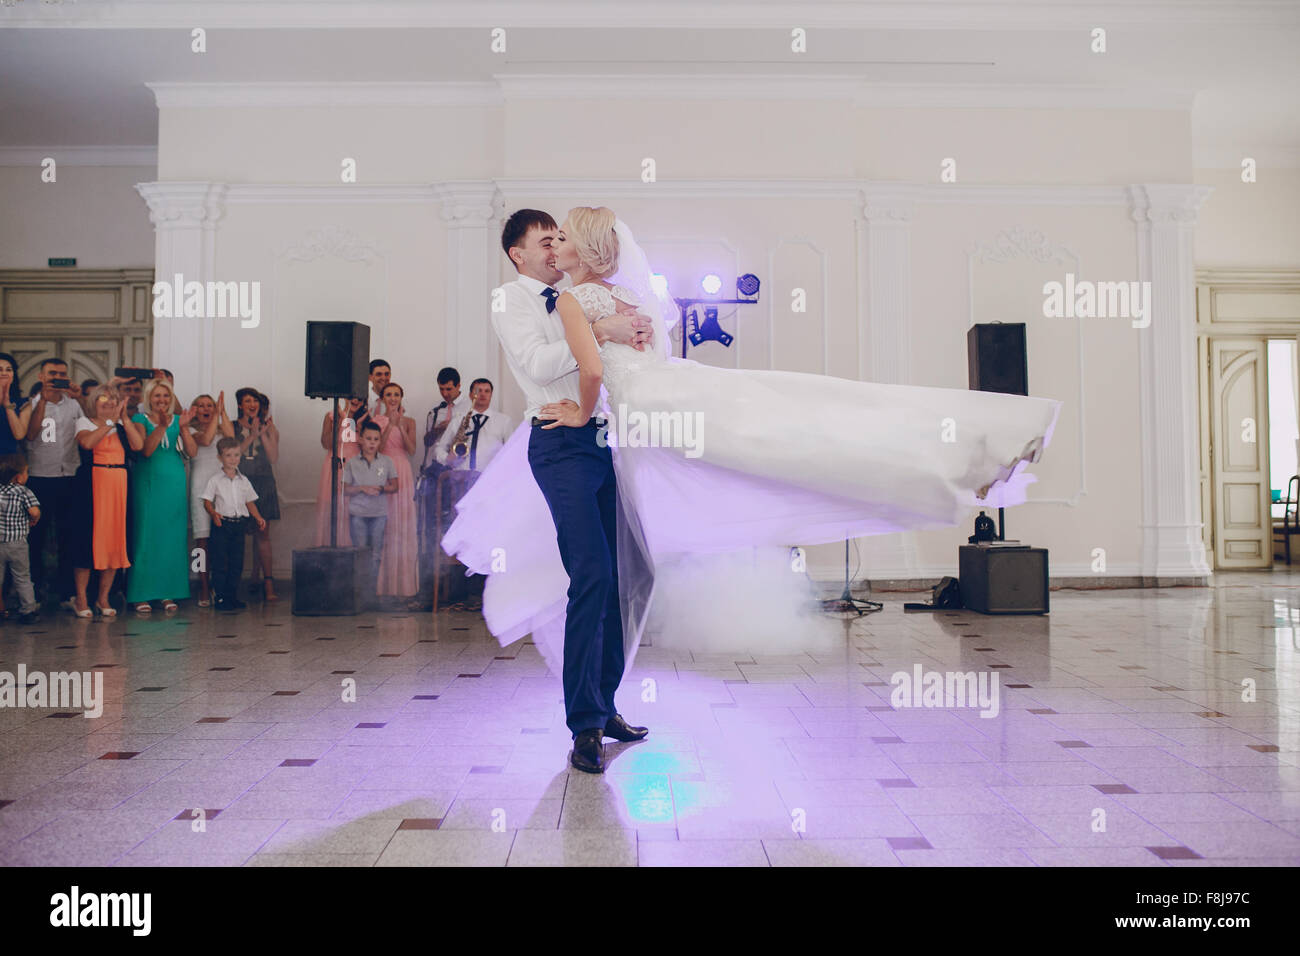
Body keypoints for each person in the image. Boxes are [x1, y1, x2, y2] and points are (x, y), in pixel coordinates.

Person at [444, 207, 1063, 773]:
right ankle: (583, 724)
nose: (554, 247)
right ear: (518, 255)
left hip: (621, 431)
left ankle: (601, 707)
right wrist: (598, 330)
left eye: (561, 237)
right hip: (565, 440)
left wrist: (602, 327)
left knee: (645, 564)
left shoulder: (592, 298)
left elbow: (621, 355)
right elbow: (542, 361)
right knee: (596, 576)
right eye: (543, 241)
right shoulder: (517, 299)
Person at [73, 385, 145, 617]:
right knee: (86, 540)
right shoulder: (85, 422)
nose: (109, 403)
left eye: (114, 400)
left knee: (115, 539)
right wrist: (108, 423)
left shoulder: (123, 425)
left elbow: (138, 446)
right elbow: (87, 443)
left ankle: (103, 598)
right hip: (93, 483)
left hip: (119, 483)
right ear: (94, 401)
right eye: (104, 399)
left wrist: (123, 419)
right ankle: (82, 598)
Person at [127, 377, 195, 613]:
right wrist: (163, 426)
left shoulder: (178, 419)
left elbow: (192, 451)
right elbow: (145, 450)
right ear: (149, 399)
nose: (162, 400)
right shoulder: (139, 419)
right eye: (157, 396)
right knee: (147, 535)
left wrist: (184, 427)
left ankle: (168, 591)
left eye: (166, 396)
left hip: (174, 481)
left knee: (172, 537)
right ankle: (141, 593)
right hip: (149, 482)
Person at [23, 358, 81, 610]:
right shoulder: (32, 404)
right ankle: (33, 592)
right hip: (39, 477)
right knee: (36, 538)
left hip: (69, 476)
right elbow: (30, 434)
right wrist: (43, 400)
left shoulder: (74, 405)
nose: (56, 377)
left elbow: (92, 426)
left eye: (61, 374)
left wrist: (81, 396)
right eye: (52, 373)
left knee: (69, 536)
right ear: (40, 376)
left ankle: (67, 593)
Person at [202, 436, 266, 611]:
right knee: (220, 562)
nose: (233, 459)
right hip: (222, 524)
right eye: (228, 455)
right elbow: (207, 501)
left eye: (236, 455)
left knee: (236, 562)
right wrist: (213, 512)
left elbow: (249, 502)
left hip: (239, 525)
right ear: (220, 458)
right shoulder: (215, 480)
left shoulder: (243, 480)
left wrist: (258, 517)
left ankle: (232, 596)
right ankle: (221, 597)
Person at [343, 420, 399, 606]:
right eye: (368, 438)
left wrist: (381, 488)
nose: (372, 443)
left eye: (376, 439)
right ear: (360, 439)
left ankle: (370, 595)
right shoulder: (351, 462)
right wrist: (361, 489)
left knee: (376, 554)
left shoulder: (387, 461)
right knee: (360, 553)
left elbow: (395, 486)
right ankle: (358, 595)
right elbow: (344, 489)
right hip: (358, 513)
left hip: (379, 514)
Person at [372, 382, 417, 602]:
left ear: (401, 397)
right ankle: (383, 587)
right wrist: (389, 425)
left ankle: (405, 588)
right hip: (383, 470)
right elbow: (376, 449)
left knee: (403, 525)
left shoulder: (410, 422)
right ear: (381, 399)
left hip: (403, 470)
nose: (392, 398)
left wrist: (400, 426)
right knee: (385, 525)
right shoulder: (374, 422)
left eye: (396, 394)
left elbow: (411, 450)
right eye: (388, 394)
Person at [233, 387, 280, 602]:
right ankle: (234, 584)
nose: (252, 404)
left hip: (263, 483)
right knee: (236, 534)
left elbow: (272, 457)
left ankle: (268, 584)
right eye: (247, 401)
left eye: (255, 401)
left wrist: (263, 433)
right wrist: (251, 435)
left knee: (263, 534)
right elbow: (233, 455)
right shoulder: (232, 427)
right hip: (239, 483)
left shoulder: (270, 427)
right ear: (240, 405)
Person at [187, 391, 234, 606]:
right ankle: (203, 586)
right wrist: (217, 414)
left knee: (222, 540)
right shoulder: (191, 430)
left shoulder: (220, 431)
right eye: (202, 405)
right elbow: (205, 441)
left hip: (220, 487)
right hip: (200, 485)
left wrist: (222, 412)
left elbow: (231, 438)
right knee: (201, 540)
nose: (207, 409)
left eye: (210, 405)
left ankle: (220, 585)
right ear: (195, 410)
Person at [314, 395, 367, 547]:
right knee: (332, 506)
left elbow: (370, 446)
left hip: (356, 467)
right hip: (334, 465)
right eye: (352, 397)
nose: (356, 401)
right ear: (344, 398)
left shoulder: (365, 417)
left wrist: (359, 427)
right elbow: (325, 443)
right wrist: (339, 422)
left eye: (359, 398)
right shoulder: (331, 416)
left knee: (353, 507)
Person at [434, 378, 513, 473]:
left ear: (491, 395)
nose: (483, 394)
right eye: (478, 391)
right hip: (461, 478)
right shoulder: (458, 420)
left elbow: (511, 452)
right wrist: (447, 459)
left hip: (490, 477)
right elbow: (440, 448)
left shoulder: (504, 421)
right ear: (470, 395)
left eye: (487, 391)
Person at [0, 453, 42, 623]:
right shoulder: (24, 492)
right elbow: (34, 511)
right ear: (18, 477)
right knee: (23, 577)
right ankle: (28, 610)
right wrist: (35, 518)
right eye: (26, 472)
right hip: (17, 543)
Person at [0, 352, 34, 456]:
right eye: (0, 369)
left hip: (10, 462)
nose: (4, 373)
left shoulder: (22, 403)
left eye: (8, 370)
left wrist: (7, 402)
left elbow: (19, 434)